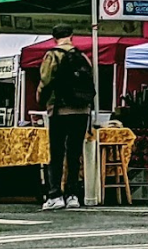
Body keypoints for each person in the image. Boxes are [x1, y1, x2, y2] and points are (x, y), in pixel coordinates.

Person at [37, 24, 95, 211]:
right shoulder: (83, 57)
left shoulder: (52, 56)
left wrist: (41, 98)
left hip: (60, 109)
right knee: (74, 152)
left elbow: (45, 81)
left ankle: (55, 194)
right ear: (72, 36)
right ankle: (73, 194)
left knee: (57, 152)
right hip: (82, 111)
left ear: (54, 37)